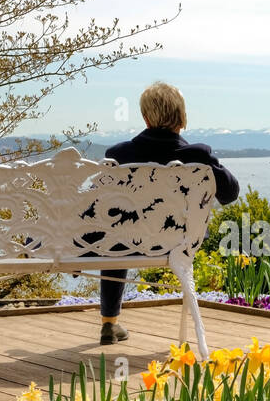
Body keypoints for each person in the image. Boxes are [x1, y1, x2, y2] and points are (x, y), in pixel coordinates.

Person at [97, 82, 240, 345]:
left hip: (124, 243)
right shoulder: (197, 155)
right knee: (120, 232)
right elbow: (230, 193)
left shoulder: (119, 155)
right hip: (177, 244)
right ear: (183, 117)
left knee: (116, 232)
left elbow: (99, 204)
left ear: (146, 118)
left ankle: (109, 322)